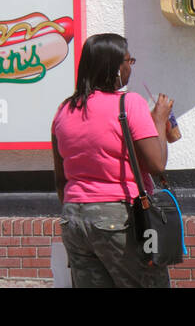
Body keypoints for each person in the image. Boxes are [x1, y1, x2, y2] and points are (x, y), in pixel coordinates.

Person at [51, 33, 175, 288]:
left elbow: (60, 177)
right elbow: (157, 164)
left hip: (74, 217)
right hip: (118, 216)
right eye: (129, 60)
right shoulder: (129, 103)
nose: (131, 67)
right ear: (116, 68)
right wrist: (160, 120)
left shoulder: (64, 110)